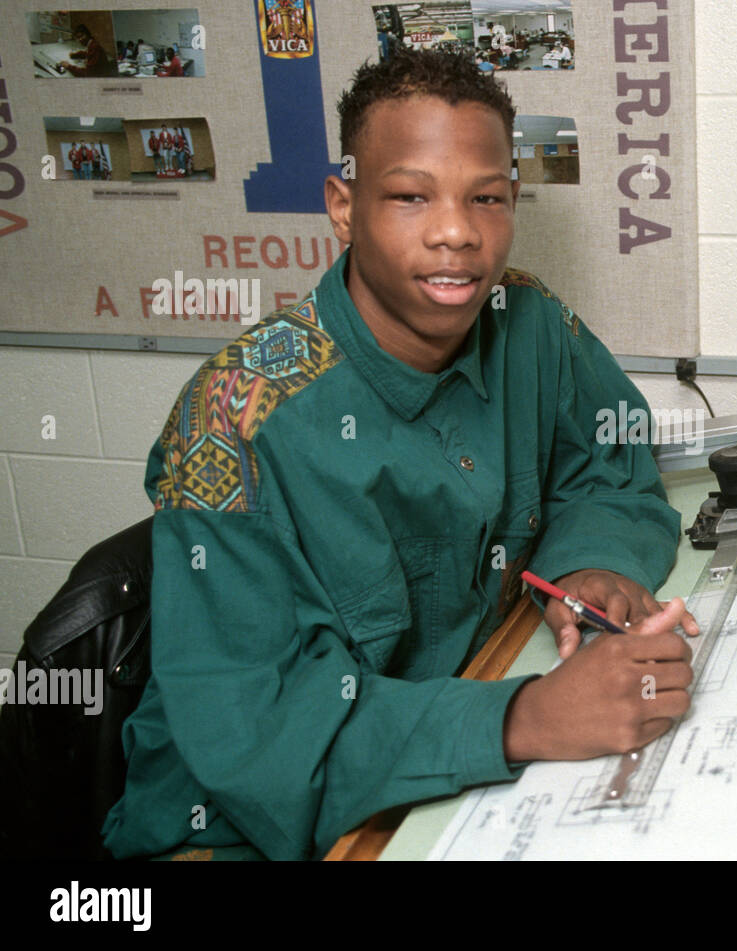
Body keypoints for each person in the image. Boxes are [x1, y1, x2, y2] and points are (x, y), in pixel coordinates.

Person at [101, 49, 698, 861]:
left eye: (485, 197)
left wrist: (590, 565)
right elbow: (262, 738)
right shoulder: (234, 417)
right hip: (246, 827)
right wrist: (522, 718)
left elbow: (607, 465)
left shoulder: (527, 320)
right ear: (343, 209)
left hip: (449, 756)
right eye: (411, 196)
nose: (456, 231)